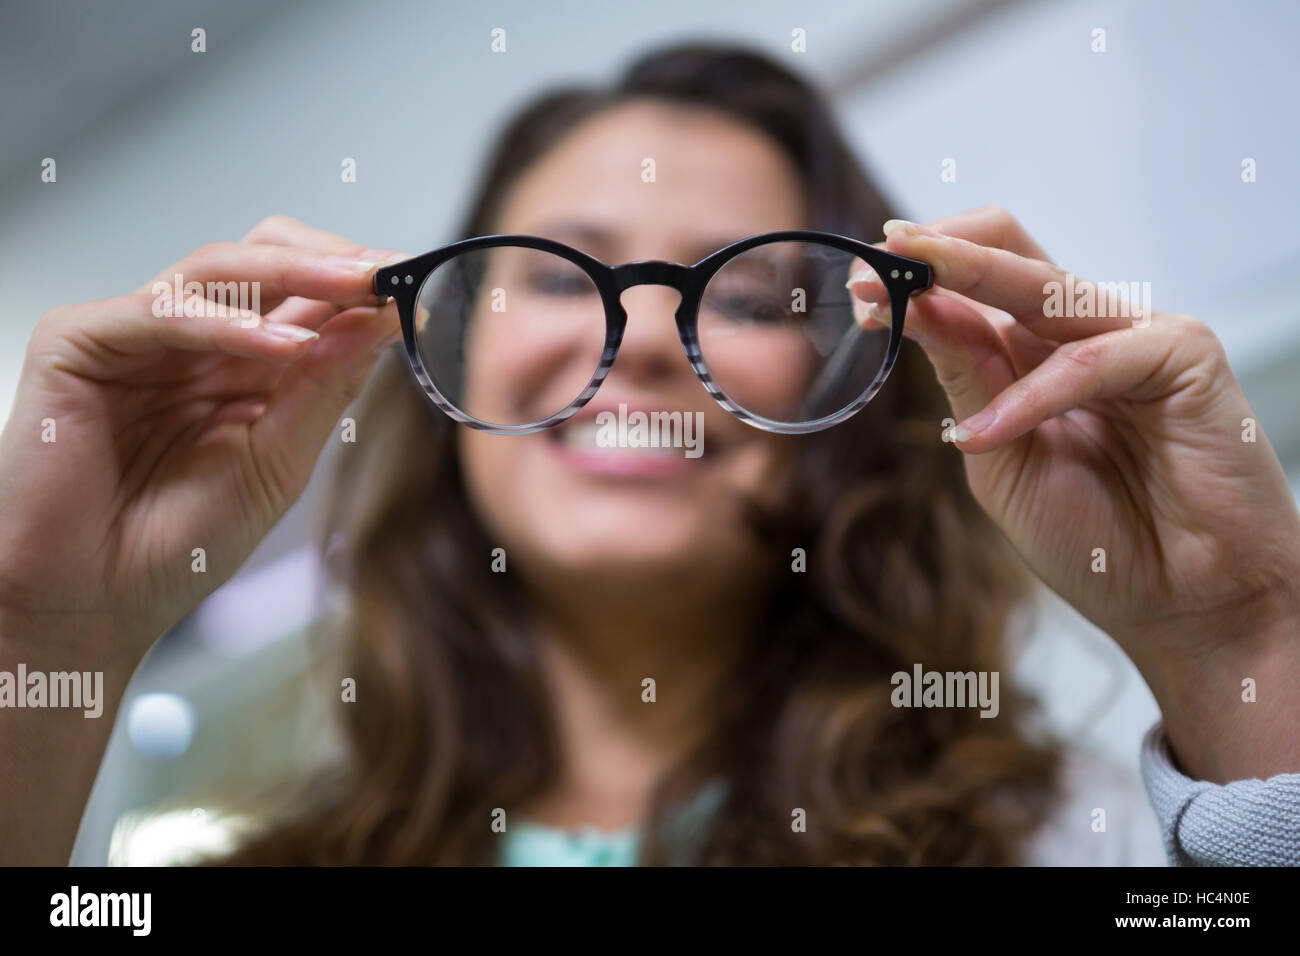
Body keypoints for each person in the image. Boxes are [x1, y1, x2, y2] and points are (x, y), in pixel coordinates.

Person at [2, 43, 1297, 867]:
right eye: (568, 273)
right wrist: (43, 645)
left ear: (855, 388)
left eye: (745, 297)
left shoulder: (1103, 851)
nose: (653, 342)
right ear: (438, 354)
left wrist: (1246, 640)